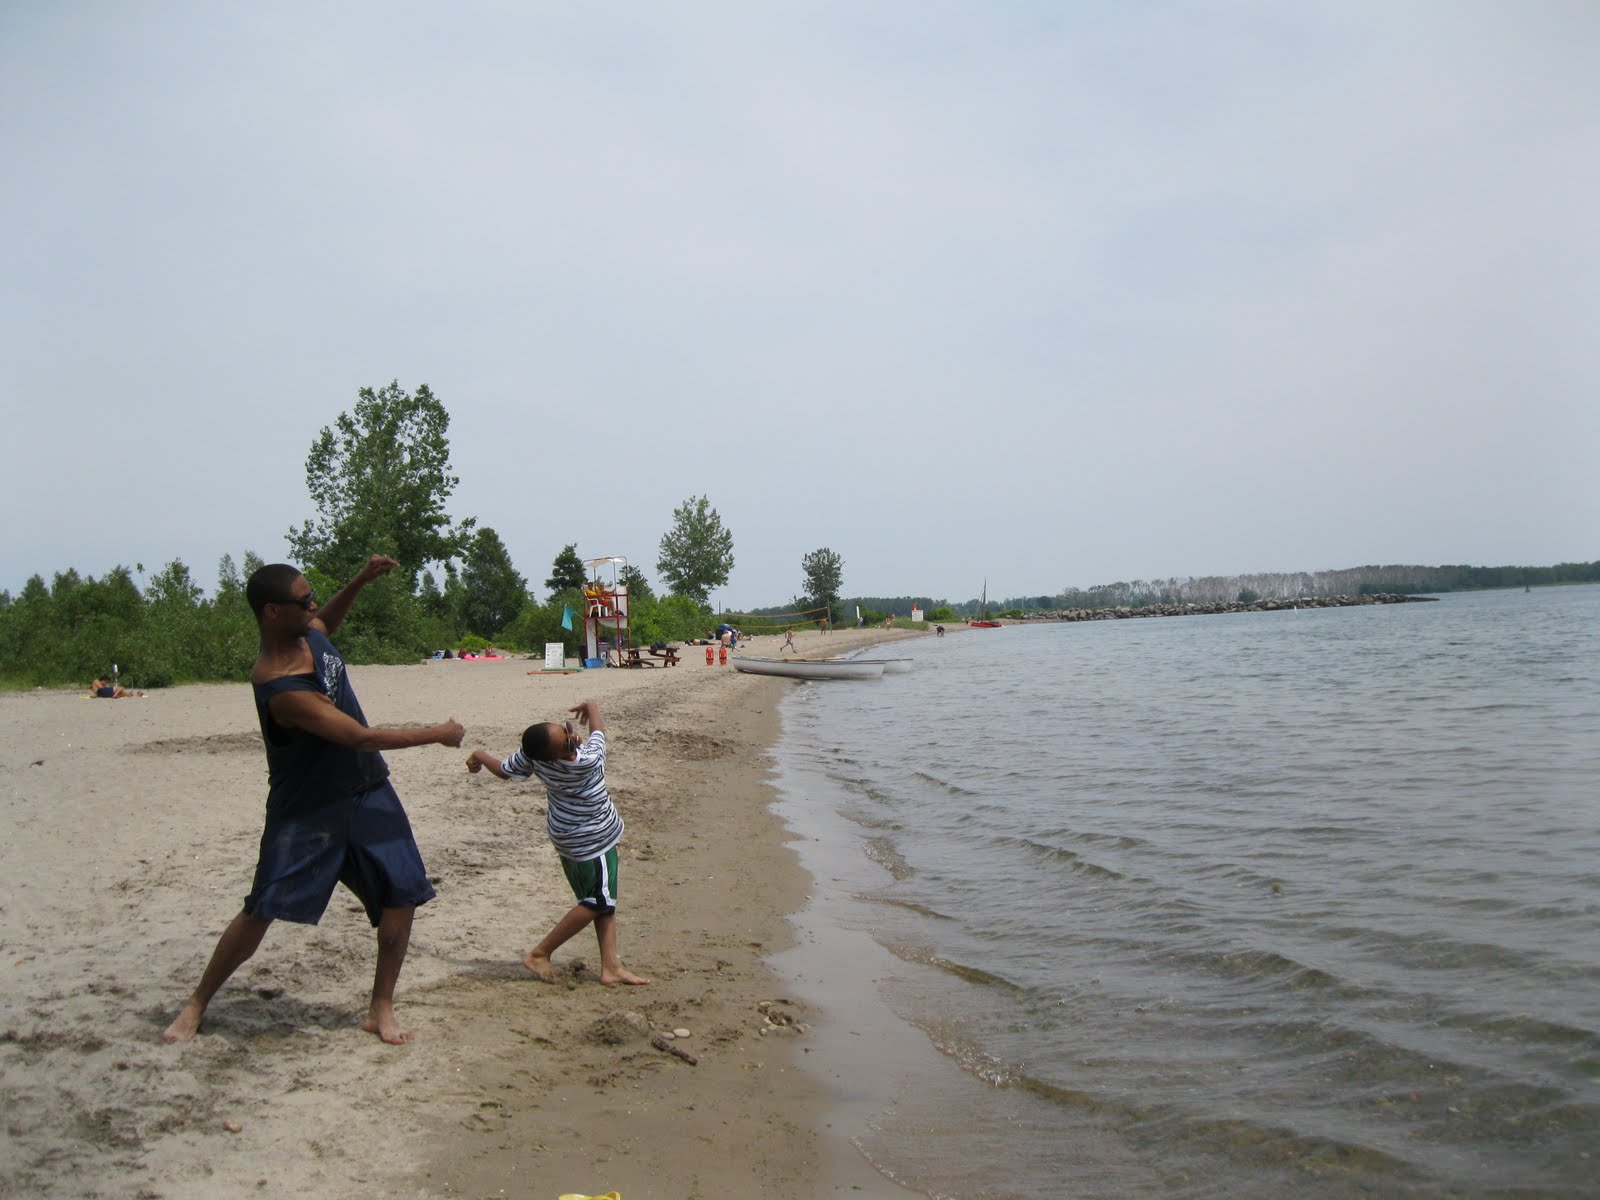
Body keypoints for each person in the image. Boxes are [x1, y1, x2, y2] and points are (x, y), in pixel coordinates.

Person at [161, 555, 465, 1046]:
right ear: (271, 613)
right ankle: (197, 1003)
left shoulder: (309, 635)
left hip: (368, 794)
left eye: (311, 596)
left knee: (403, 895)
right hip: (307, 810)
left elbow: (327, 622)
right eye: (303, 601)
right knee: (262, 907)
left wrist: (361, 579)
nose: (313, 606)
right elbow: (359, 737)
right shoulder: (280, 687)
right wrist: (439, 733)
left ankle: (380, 1007)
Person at [465, 700, 648, 987]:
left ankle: (611, 966)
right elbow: (599, 731)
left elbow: (504, 770)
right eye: (567, 742)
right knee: (597, 900)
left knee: (602, 899)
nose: (572, 738)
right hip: (593, 839)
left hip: (567, 837)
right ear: (558, 755)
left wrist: (478, 754)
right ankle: (540, 953)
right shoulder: (586, 761)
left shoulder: (534, 758)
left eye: (567, 731)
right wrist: (592, 706)